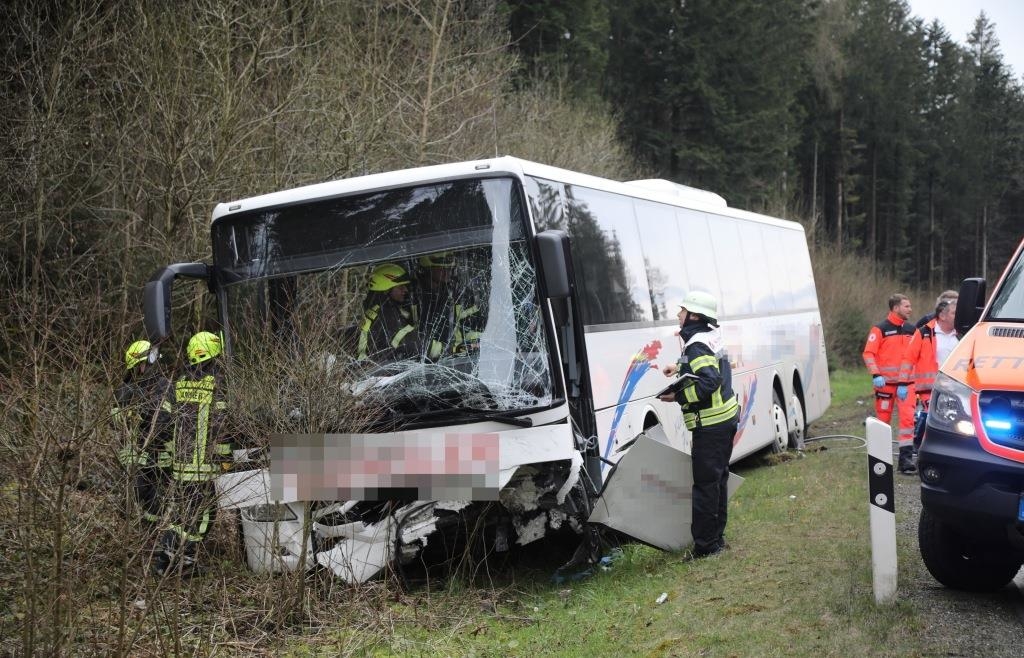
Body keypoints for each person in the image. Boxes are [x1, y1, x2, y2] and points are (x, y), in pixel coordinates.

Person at [658, 291, 739, 558]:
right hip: (725, 419)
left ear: (694, 316)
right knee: (717, 481)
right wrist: (677, 367)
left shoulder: (696, 344)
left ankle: (706, 547)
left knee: (706, 486)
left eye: (682, 310)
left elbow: (709, 381)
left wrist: (677, 397)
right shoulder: (709, 336)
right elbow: (704, 364)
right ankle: (716, 539)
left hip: (711, 425)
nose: (678, 314)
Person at [154, 331, 232, 576]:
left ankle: (169, 559)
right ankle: (178, 561)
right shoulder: (216, 384)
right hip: (202, 467)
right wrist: (225, 459)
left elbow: (163, 423)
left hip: (180, 465)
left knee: (184, 514)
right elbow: (221, 426)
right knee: (202, 517)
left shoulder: (179, 383)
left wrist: (168, 456)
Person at [113, 339, 173, 527]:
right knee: (141, 499)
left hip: (152, 457)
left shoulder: (159, 386)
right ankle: (141, 532)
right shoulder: (129, 391)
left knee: (154, 503)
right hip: (143, 458)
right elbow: (119, 422)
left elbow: (165, 421)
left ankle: (148, 532)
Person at [863, 294, 917, 473]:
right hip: (885, 385)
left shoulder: (912, 330)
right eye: (906, 306)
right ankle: (881, 460)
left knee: (908, 421)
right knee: (883, 422)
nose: (910, 309)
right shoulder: (880, 329)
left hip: (907, 384)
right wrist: (876, 374)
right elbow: (868, 353)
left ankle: (906, 460)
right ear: (895, 308)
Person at [901, 298, 959, 450]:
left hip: (955, 389)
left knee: (951, 420)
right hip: (930, 388)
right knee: (932, 417)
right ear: (942, 315)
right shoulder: (924, 333)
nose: (958, 316)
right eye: (954, 313)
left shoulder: (960, 335)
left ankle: (943, 448)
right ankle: (920, 446)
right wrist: (903, 383)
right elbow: (908, 358)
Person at [412, 252, 481, 358]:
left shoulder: (459, 293)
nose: (447, 272)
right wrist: (451, 351)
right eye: (441, 269)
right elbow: (412, 341)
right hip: (423, 361)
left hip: (460, 359)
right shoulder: (412, 297)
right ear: (428, 269)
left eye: (449, 269)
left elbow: (474, 326)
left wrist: (475, 344)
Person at [357, 263, 421, 362]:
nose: (405, 290)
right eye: (400, 287)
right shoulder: (386, 315)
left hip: (375, 367)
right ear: (386, 290)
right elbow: (414, 344)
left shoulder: (376, 307)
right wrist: (441, 346)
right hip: (377, 370)